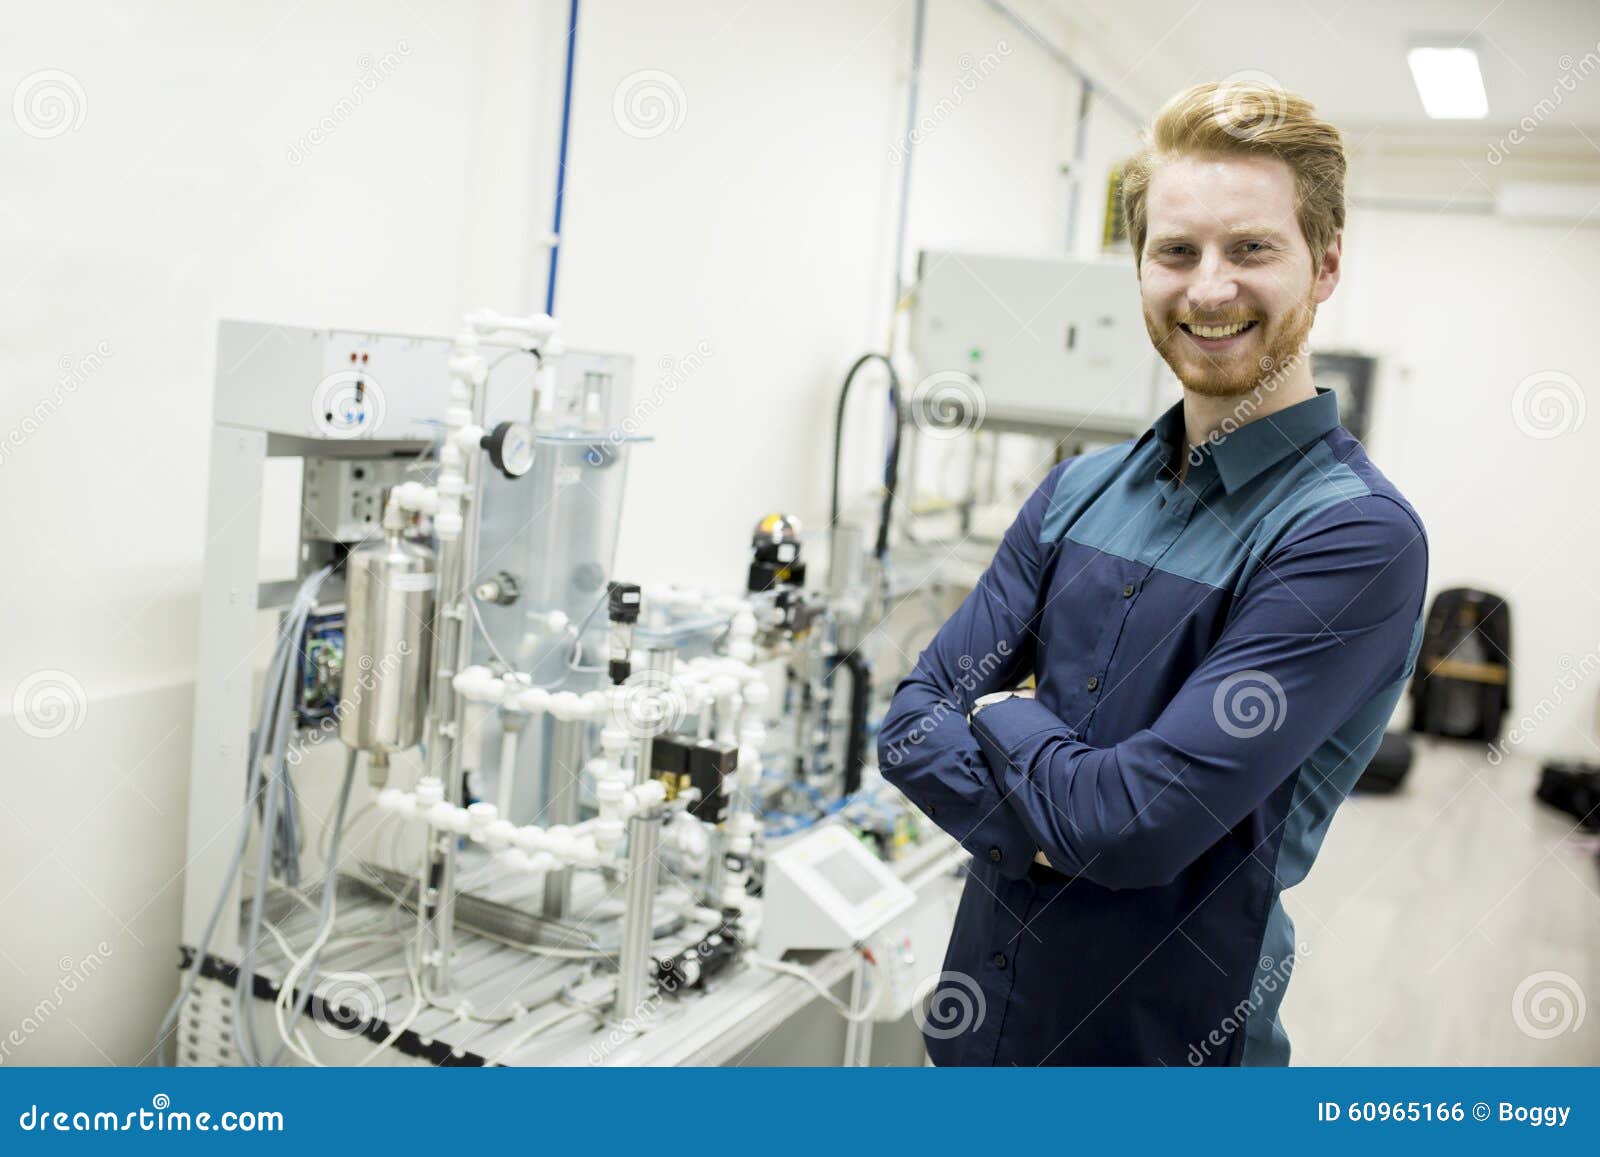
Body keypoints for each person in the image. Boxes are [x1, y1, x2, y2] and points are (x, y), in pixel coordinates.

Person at [878, 80, 1428, 1066]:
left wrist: (1005, 714)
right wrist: (1070, 820)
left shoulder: (1353, 538)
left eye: (1251, 248)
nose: (1207, 288)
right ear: (1139, 267)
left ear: (1326, 262)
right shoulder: (1077, 490)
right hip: (971, 1037)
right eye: (1175, 251)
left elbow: (1131, 826)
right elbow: (911, 720)